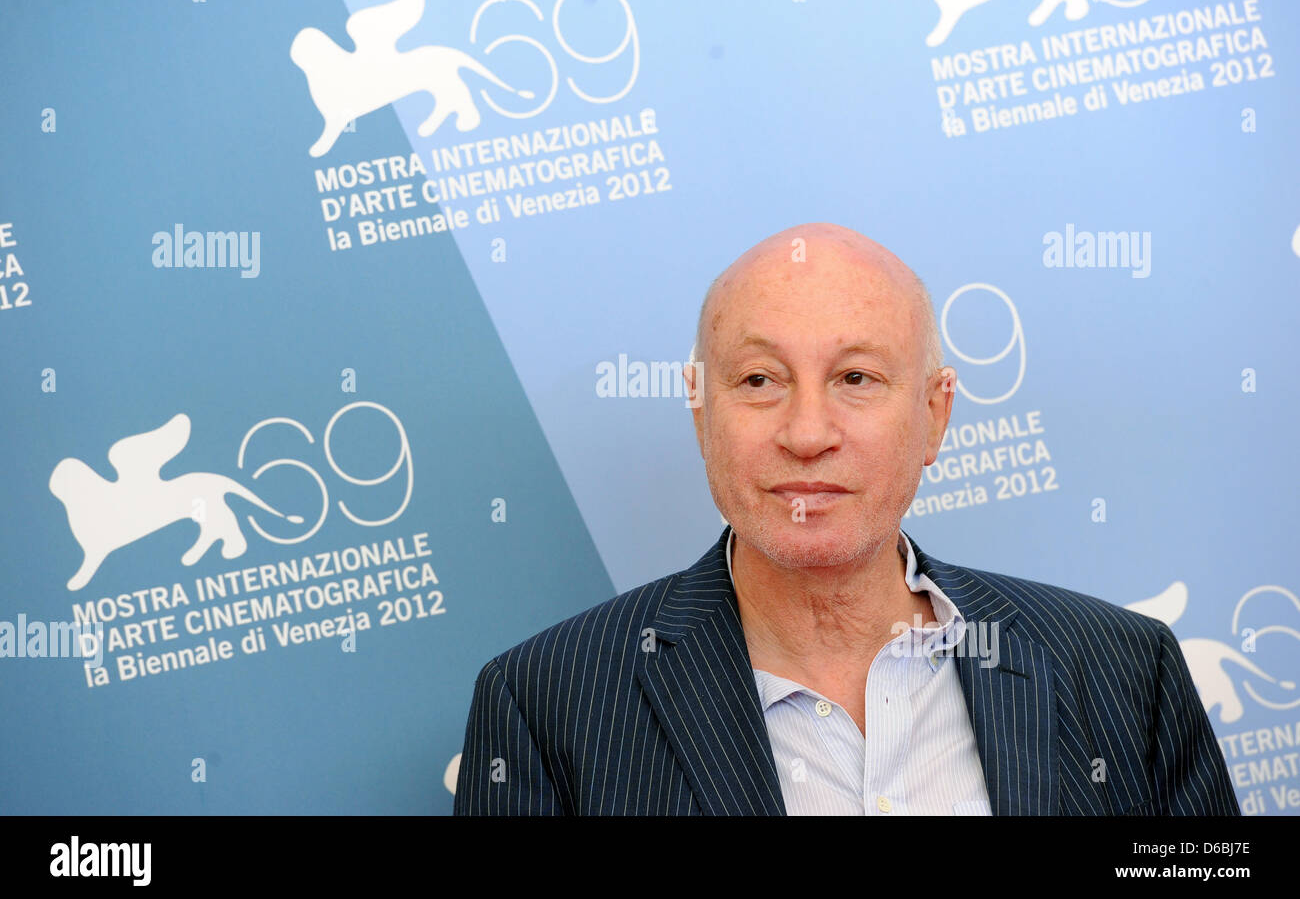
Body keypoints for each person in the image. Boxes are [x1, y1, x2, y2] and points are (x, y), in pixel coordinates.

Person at [453, 222, 1239, 816]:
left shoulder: (1125, 671)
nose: (806, 432)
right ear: (701, 416)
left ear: (935, 417)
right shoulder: (544, 703)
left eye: (856, 377)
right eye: (759, 379)